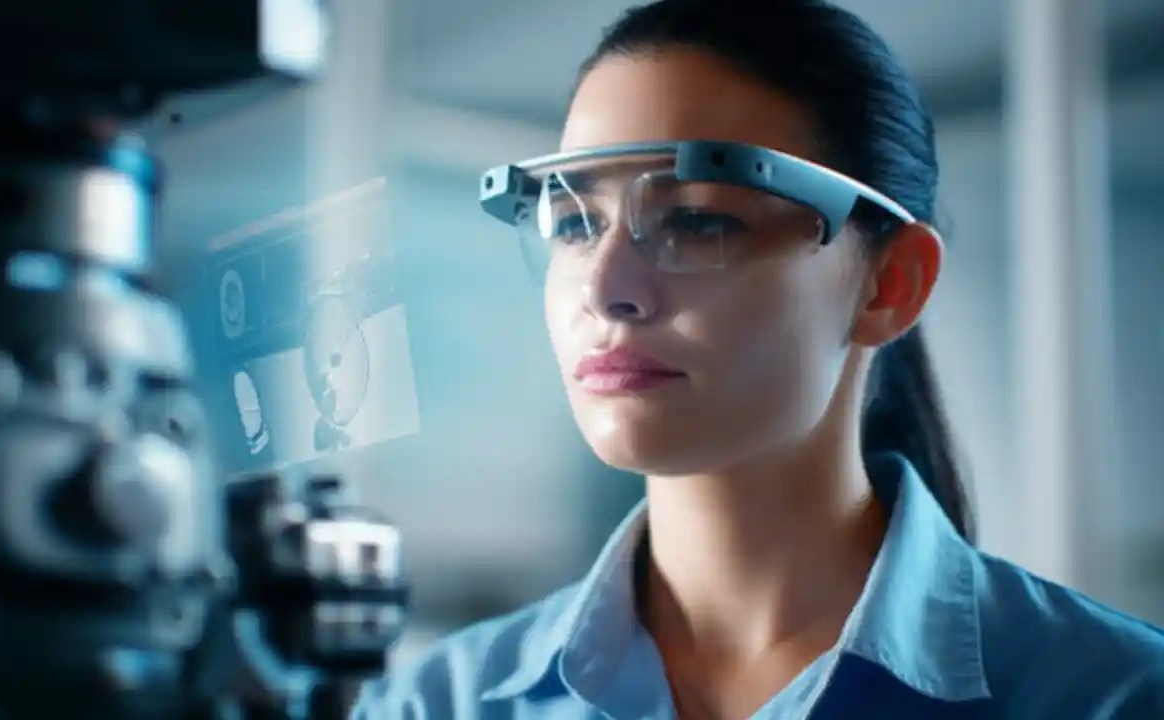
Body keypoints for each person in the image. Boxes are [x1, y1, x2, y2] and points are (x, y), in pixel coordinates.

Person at [352, 1, 1164, 717]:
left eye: (697, 220)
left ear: (890, 284)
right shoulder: (436, 704)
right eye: (574, 225)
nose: (604, 289)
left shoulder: (1111, 697)